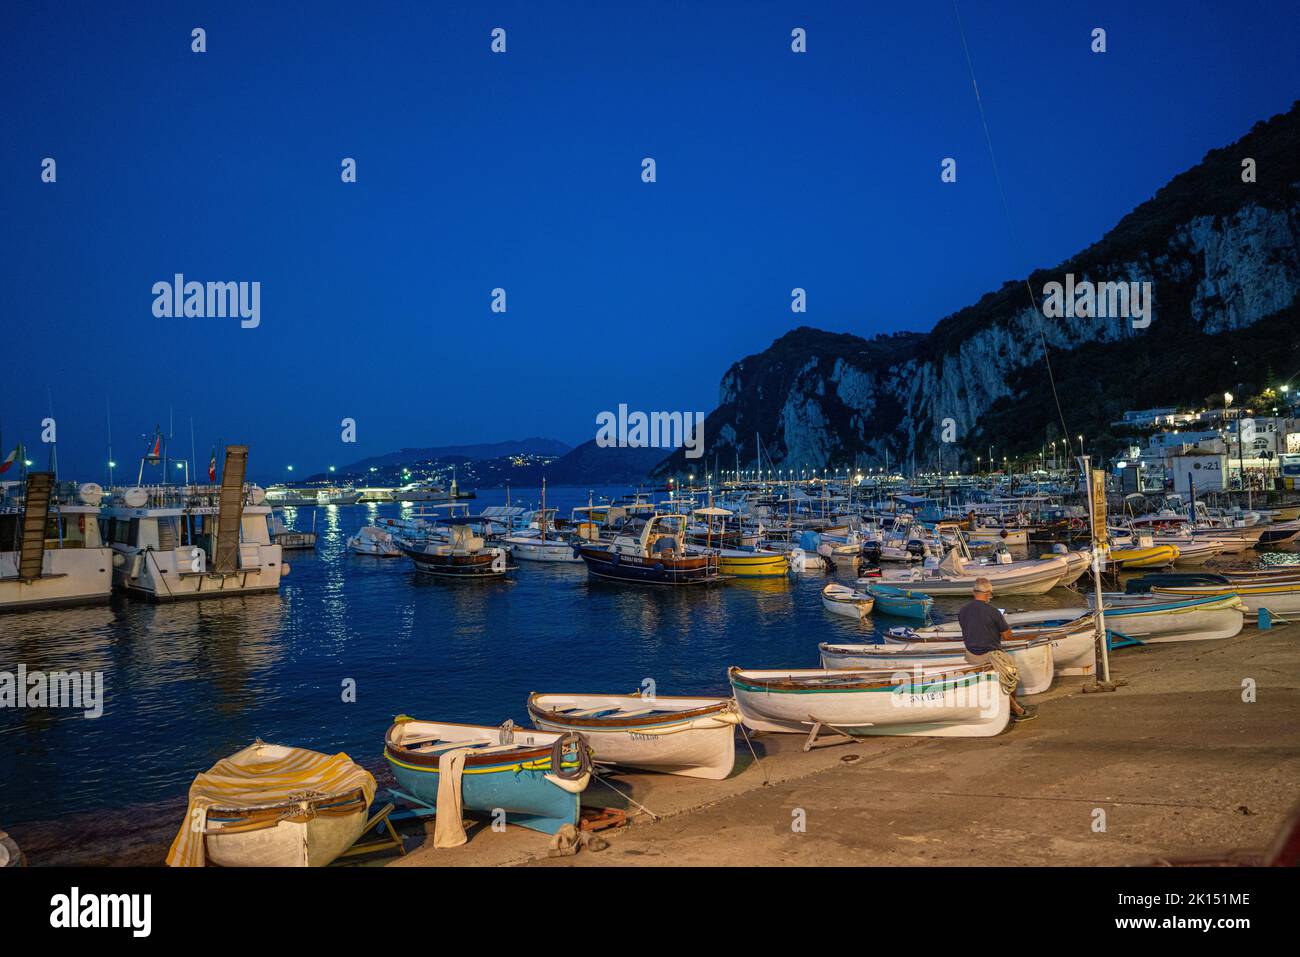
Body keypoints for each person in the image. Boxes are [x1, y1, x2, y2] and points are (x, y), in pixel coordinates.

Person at [958, 577, 1036, 722]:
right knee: (1011, 672)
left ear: (974, 592)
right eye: (991, 594)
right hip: (989, 655)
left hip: (970, 655)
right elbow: (1007, 636)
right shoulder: (993, 612)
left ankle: (1012, 707)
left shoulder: (963, 611)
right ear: (987, 593)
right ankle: (1015, 710)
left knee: (1005, 670)